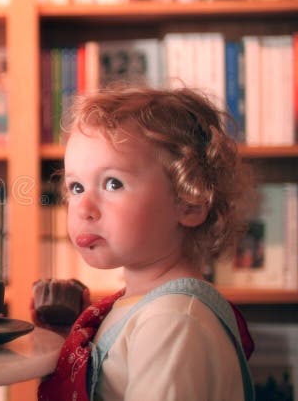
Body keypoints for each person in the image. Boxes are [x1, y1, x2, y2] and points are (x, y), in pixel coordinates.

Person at [35, 86, 256, 401]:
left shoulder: (173, 321)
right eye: (77, 187)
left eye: (113, 183)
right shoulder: (144, 307)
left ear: (189, 203)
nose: (83, 208)